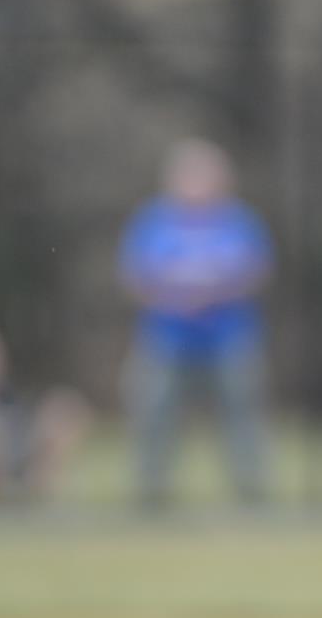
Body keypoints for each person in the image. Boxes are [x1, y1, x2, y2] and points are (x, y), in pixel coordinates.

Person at [117, 138, 274, 506]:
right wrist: (175, 298)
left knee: (243, 414)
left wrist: (212, 295)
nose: (198, 183)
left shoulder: (239, 221)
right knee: (153, 412)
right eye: (190, 175)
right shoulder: (153, 221)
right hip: (166, 339)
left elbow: (257, 269)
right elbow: (135, 275)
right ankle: (150, 494)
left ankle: (252, 493)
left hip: (230, 338)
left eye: (206, 176)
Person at [0, 319, 90, 501]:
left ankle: (36, 488)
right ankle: (1, 494)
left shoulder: (5, 394)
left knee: (65, 405)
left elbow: (21, 420)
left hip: (18, 448)